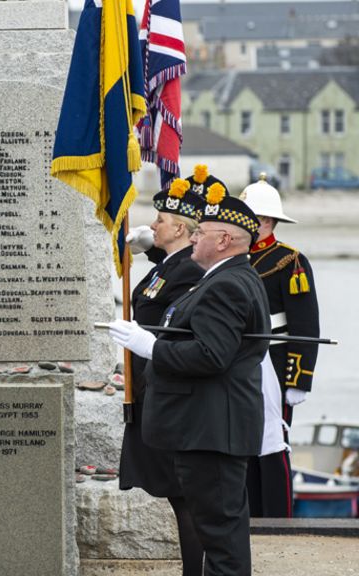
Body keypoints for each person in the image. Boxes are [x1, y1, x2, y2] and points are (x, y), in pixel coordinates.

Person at [110, 185, 270, 576]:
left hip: (210, 429)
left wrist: (150, 346)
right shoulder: (223, 277)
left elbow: (210, 355)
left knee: (220, 536)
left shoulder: (227, 285)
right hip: (208, 426)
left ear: (225, 240)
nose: (194, 236)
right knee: (221, 534)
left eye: (202, 232)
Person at [119, 179, 205, 576]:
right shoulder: (171, 264)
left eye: (161, 220)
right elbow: (166, 270)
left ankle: (196, 570)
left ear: (182, 229)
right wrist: (149, 246)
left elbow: (173, 320)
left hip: (166, 388)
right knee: (173, 493)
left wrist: (145, 342)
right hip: (148, 385)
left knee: (182, 493)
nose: (154, 224)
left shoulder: (188, 272)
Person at [240, 174, 320, 518]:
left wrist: (299, 379)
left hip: (275, 360)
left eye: (252, 219)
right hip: (240, 359)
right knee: (242, 444)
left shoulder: (290, 261)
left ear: (268, 221)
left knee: (273, 448)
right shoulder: (233, 256)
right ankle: (251, 517)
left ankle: (277, 520)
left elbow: (305, 324)